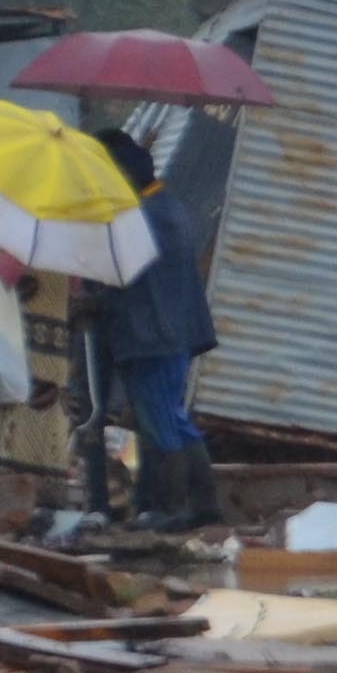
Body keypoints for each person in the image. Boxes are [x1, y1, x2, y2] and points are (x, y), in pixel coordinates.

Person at [93, 119, 224, 531]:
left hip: (154, 334)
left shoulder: (142, 216)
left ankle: (171, 509)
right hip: (173, 332)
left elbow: (126, 278)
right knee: (174, 418)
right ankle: (202, 505)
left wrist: (94, 299)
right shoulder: (166, 204)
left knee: (161, 422)